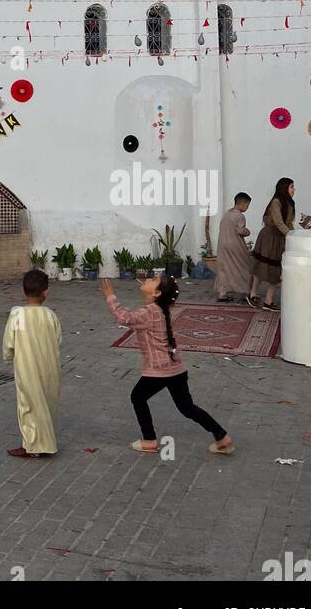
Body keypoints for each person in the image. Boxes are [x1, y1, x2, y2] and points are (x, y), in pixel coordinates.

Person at [100, 275, 234, 455]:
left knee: (137, 397)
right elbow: (154, 301)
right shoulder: (160, 307)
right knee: (187, 408)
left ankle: (149, 440)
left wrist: (110, 296)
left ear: (157, 292)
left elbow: (125, 318)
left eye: (153, 279)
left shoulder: (150, 312)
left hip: (159, 370)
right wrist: (149, 288)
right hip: (175, 369)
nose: (148, 278)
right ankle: (222, 436)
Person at [1, 268, 62, 459]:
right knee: (47, 401)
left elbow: (8, 343)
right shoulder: (50, 315)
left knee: (28, 405)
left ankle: (32, 445)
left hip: (26, 368)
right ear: (46, 292)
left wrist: (9, 357)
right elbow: (58, 340)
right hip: (49, 367)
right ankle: (44, 442)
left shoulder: (17, 315)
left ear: (24, 291)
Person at [249, 177, 295, 311]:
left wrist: (294, 234)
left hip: (279, 238)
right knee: (261, 266)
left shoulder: (290, 203)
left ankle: (268, 301)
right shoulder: (276, 202)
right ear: (284, 188)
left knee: (276, 270)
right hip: (269, 237)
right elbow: (279, 222)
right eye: (291, 186)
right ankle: (253, 294)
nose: (294, 190)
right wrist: (290, 235)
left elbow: (288, 223)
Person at [214, 192, 254, 302]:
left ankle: (222, 293)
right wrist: (248, 231)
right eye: (247, 205)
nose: (247, 207)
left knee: (224, 269)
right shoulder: (240, 216)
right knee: (243, 266)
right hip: (235, 245)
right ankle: (246, 291)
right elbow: (240, 230)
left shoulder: (226, 213)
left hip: (222, 244)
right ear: (242, 204)